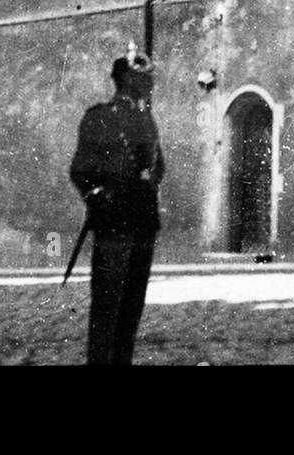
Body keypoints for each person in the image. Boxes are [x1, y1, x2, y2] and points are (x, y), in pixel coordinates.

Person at [70, 49, 164, 365]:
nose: (150, 83)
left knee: (131, 309)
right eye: (144, 77)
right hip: (114, 224)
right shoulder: (98, 117)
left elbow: (159, 169)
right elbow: (80, 170)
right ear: (125, 79)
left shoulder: (146, 119)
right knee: (106, 309)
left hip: (142, 223)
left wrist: (147, 177)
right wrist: (100, 196)